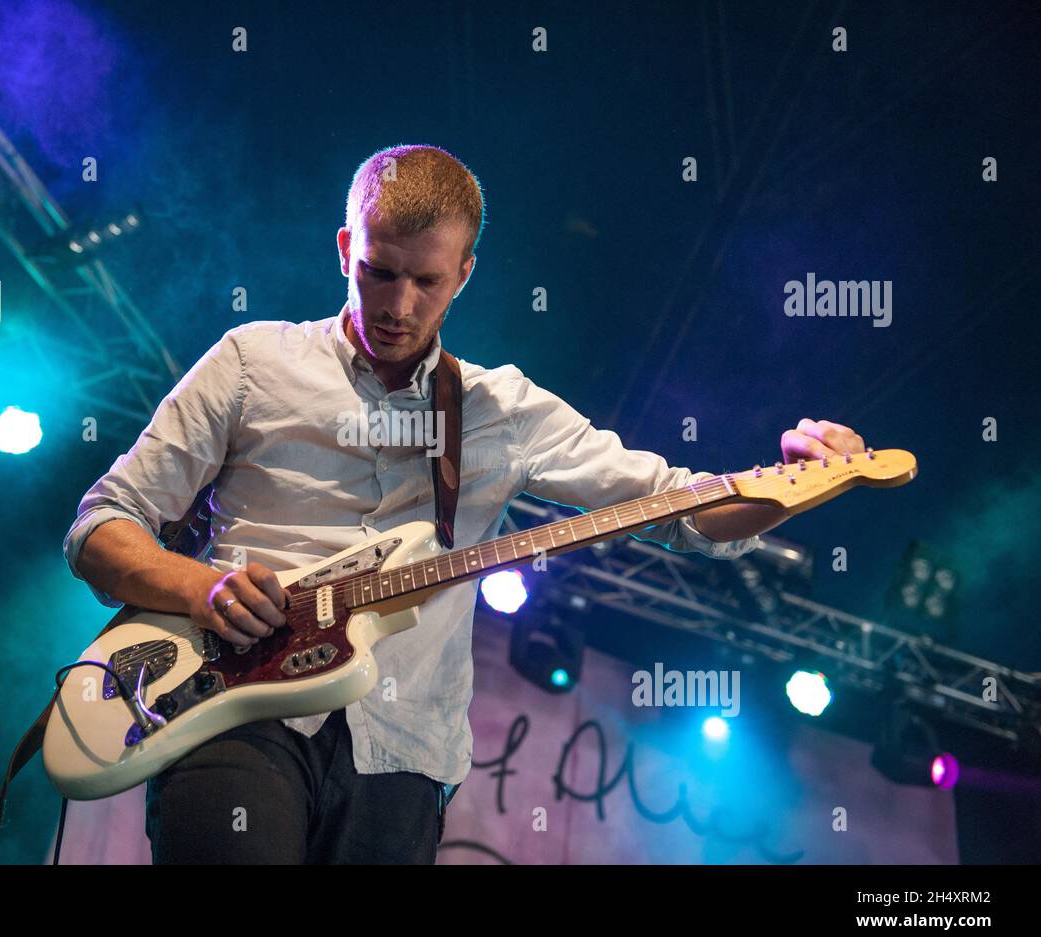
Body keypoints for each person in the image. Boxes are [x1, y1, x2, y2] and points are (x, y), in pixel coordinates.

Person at [65, 144, 868, 864]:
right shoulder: (251, 361)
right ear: (347, 248)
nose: (400, 305)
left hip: (402, 751)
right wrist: (199, 587)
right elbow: (102, 525)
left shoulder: (501, 410)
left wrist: (784, 492)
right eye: (379, 270)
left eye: (427, 280)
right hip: (230, 708)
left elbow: (677, 509)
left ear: (466, 273)